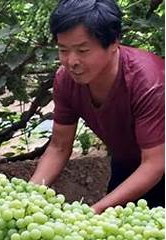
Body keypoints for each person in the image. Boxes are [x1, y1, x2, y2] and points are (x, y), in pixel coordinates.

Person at [30, 0, 165, 213]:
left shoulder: (149, 82)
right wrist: (30, 194)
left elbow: (155, 164)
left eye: (82, 50)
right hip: (129, 163)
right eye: (63, 50)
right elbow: (59, 147)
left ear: (113, 44)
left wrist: (93, 211)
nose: (71, 61)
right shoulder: (66, 80)